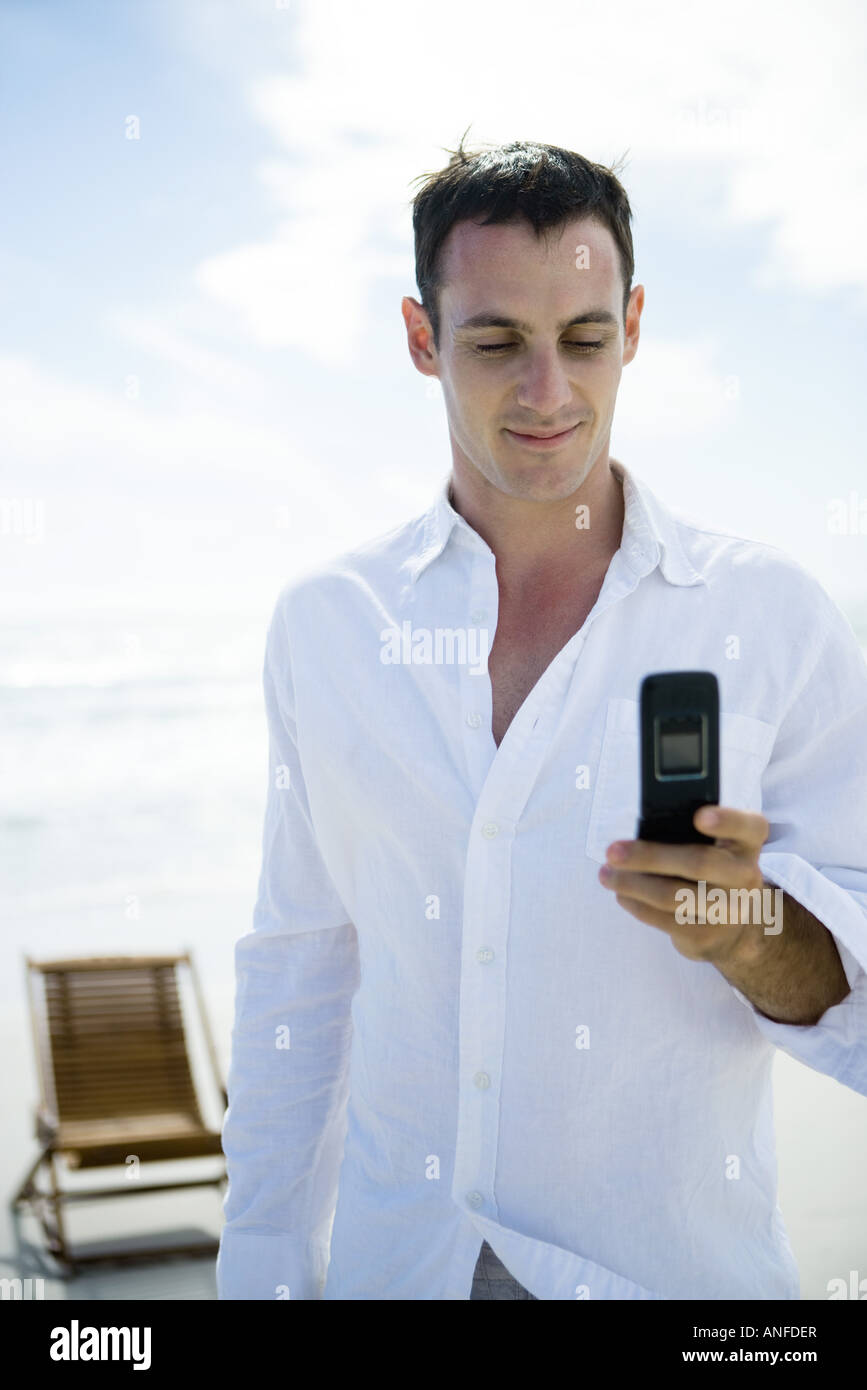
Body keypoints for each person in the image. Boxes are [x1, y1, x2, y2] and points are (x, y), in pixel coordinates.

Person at [216, 138, 867, 1301]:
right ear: (422, 339)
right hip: (397, 1271)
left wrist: (758, 933)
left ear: (636, 324)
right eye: (496, 342)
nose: (548, 394)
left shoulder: (770, 620)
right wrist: (261, 1273)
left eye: (584, 339)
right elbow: (301, 970)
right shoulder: (327, 624)